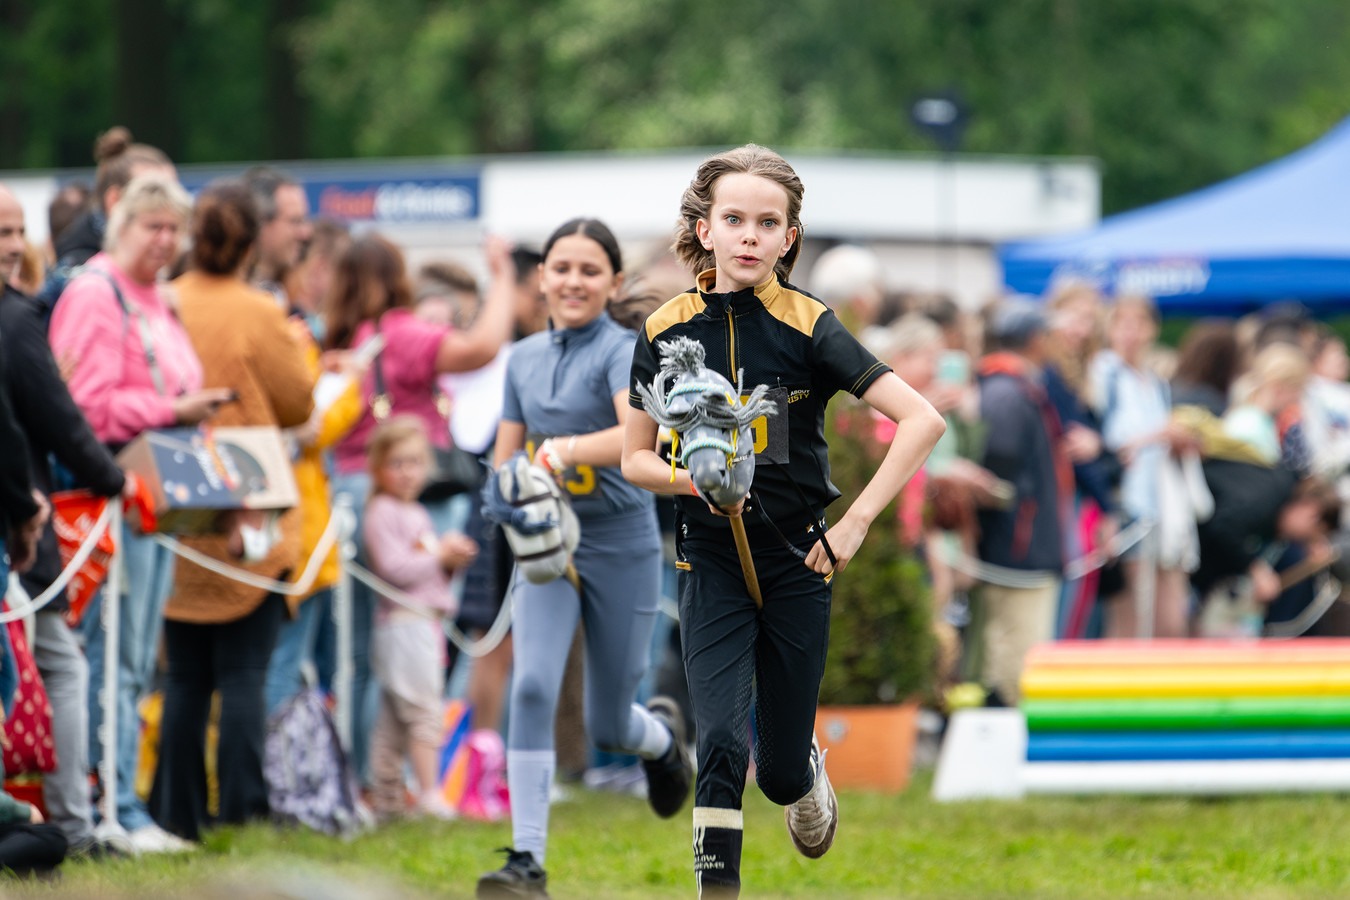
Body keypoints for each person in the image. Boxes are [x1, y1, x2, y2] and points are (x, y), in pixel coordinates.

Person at [622, 145, 945, 898]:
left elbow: (922, 420)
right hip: (708, 557)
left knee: (778, 771)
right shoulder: (665, 329)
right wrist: (696, 484)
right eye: (733, 219)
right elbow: (636, 460)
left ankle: (806, 775)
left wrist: (856, 525)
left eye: (768, 223)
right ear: (703, 229)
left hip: (802, 559)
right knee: (723, 745)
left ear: (789, 238)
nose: (749, 236)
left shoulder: (811, 325)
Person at [475, 217, 694, 899]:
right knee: (533, 686)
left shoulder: (624, 349)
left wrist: (560, 451)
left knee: (608, 720)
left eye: (589, 270)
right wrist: (506, 490)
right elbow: (506, 451)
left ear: (614, 283)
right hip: (548, 544)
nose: (573, 281)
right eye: (560, 267)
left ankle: (662, 742)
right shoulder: (521, 359)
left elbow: (641, 439)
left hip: (620, 545)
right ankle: (526, 862)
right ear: (540, 278)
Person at [49, 174, 233, 854]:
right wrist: (171, 411)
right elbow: (85, 407)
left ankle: (125, 802)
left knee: (133, 661)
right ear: (118, 225)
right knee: (111, 655)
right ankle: (109, 805)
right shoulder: (97, 293)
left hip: (153, 498)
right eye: (152, 225)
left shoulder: (156, 296)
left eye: (174, 228)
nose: (166, 239)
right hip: (109, 497)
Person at [147, 180, 315, 843]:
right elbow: (299, 403)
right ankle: (243, 810)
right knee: (245, 673)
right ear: (250, 241)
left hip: (178, 500)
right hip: (250, 507)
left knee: (185, 677)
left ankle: (173, 814)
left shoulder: (163, 302)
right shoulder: (259, 309)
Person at [323, 234, 514, 784]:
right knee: (421, 638)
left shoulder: (346, 338)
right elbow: (480, 348)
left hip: (348, 488)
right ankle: (411, 776)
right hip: (411, 497)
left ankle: (366, 777)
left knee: (360, 648)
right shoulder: (399, 334)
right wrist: (500, 275)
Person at [0, 184, 129, 858]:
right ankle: (73, 824)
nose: (15, 247)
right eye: (2, 234)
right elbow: (40, 424)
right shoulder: (16, 321)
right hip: (17, 526)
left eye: (19, 231)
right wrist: (112, 481)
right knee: (63, 667)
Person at [363, 417, 477, 820]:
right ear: (378, 469)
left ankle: (389, 799)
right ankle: (429, 794)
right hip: (404, 624)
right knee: (424, 710)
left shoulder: (416, 512)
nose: (407, 472)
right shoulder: (382, 510)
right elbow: (393, 568)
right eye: (397, 463)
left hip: (422, 622)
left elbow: (426, 572)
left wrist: (450, 562)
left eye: (415, 462)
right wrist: (438, 557)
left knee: (395, 718)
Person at [51, 127, 175, 271]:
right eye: (152, 195)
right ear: (115, 201)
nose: (171, 207)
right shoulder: (81, 269)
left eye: (174, 195)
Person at [242, 166, 312, 306]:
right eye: (295, 221)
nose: (306, 232)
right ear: (261, 221)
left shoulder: (296, 296)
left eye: (304, 221)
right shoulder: (237, 295)